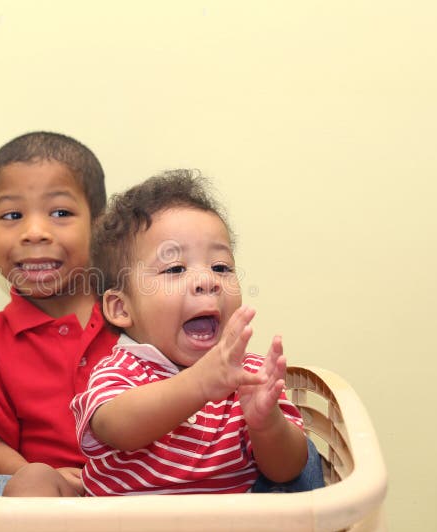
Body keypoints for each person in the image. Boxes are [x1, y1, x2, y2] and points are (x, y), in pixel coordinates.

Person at [40, 169, 321, 497]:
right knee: (28, 480)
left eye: (221, 267)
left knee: (305, 460)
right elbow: (116, 429)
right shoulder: (121, 371)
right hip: (122, 524)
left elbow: (286, 470)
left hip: (229, 523)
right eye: (175, 269)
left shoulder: (250, 376)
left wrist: (265, 423)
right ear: (120, 309)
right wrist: (200, 383)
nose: (207, 280)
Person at [0, 131, 119, 497]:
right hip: (40, 504)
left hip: (141, 494)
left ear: (100, 229)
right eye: (12, 215)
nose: (35, 232)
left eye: (60, 212)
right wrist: (42, 479)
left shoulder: (136, 316)